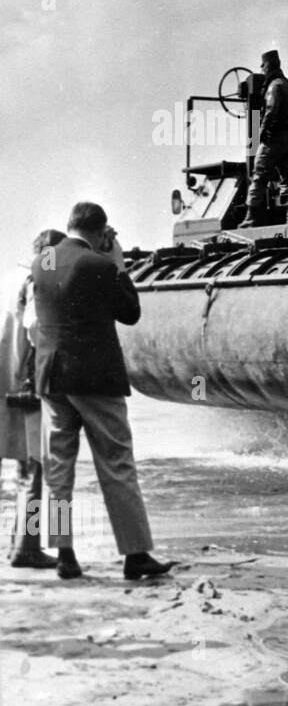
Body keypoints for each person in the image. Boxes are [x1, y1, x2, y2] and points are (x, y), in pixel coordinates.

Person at [31, 202, 176, 580]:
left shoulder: (43, 260)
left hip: (51, 377)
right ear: (100, 231)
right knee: (116, 464)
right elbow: (129, 312)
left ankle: (64, 552)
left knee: (59, 469)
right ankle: (135, 555)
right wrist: (119, 262)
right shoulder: (98, 265)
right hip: (94, 380)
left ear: (71, 225)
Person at [1, 230, 65, 568]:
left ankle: (18, 544)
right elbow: (36, 325)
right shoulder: (34, 280)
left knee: (18, 467)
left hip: (3, 383)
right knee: (32, 467)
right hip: (23, 387)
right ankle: (25, 547)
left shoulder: (9, 276)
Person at [240, 49, 288, 227]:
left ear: (269, 65)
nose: (261, 68)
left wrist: (261, 133)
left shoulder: (274, 86)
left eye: (263, 65)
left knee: (259, 174)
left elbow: (271, 110)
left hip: (275, 138)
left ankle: (251, 216)